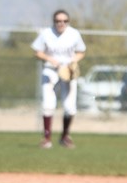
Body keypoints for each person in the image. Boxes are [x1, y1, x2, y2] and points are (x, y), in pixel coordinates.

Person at [31, 9, 86, 149]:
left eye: (65, 21)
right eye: (58, 21)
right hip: (50, 70)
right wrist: (51, 60)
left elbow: (81, 52)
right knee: (48, 105)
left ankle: (65, 137)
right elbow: (37, 52)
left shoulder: (74, 34)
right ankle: (46, 138)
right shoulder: (46, 34)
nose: (61, 23)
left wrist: (73, 61)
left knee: (70, 107)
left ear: (68, 22)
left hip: (68, 72)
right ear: (54, 21)